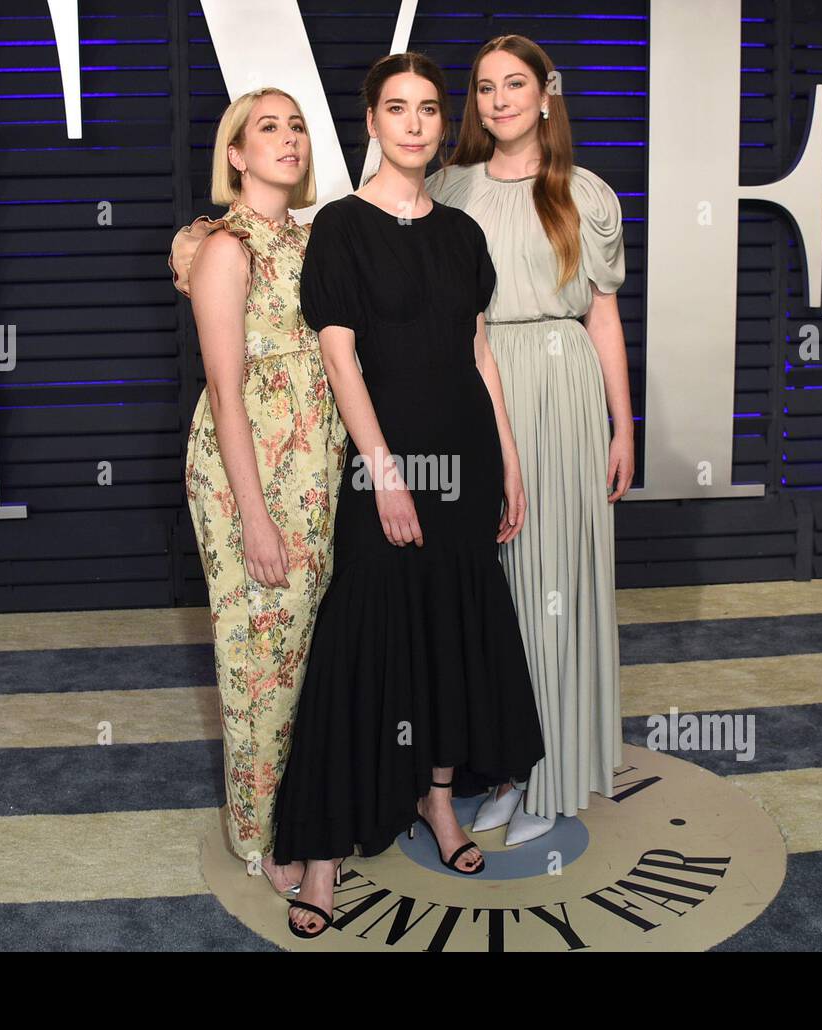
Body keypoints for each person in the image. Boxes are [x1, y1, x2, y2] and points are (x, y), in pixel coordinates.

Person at [271, 52, 546, 939]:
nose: (417, 124)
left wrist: (509, 459)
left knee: (448, 632)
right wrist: (384, 470)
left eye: (429, 108)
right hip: (386, 464)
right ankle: (322, 853)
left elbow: (478, 353)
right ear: (372, 122)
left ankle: (438, 800)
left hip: (468, 459)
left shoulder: (461, 234)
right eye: (398, 108)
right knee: (362, 640)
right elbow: (339, 357)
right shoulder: (342, 226)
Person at [425, 34, 633, 844]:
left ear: (546, 94)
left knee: (555, 580)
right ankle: (505, 764)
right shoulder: (449, 189)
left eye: (515, 84)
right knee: (495, 590)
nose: (499, 100)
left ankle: (550, 776)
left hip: (560, 384)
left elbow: (603, 315)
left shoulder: (585, 193)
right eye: (484, 88)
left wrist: (623, 424)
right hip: (475, 386)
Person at [170, 87, 347, 896]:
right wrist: (254, 516)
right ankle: (260, 834)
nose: (288, 138)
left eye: (297, 125)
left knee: (304, 652)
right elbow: (224, 387)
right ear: (236, 155)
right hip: (250, 473)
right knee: (258, 654)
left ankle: (305, 809)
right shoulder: (224, 249)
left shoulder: (314, 240)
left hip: (315, 469)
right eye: (267, 127)